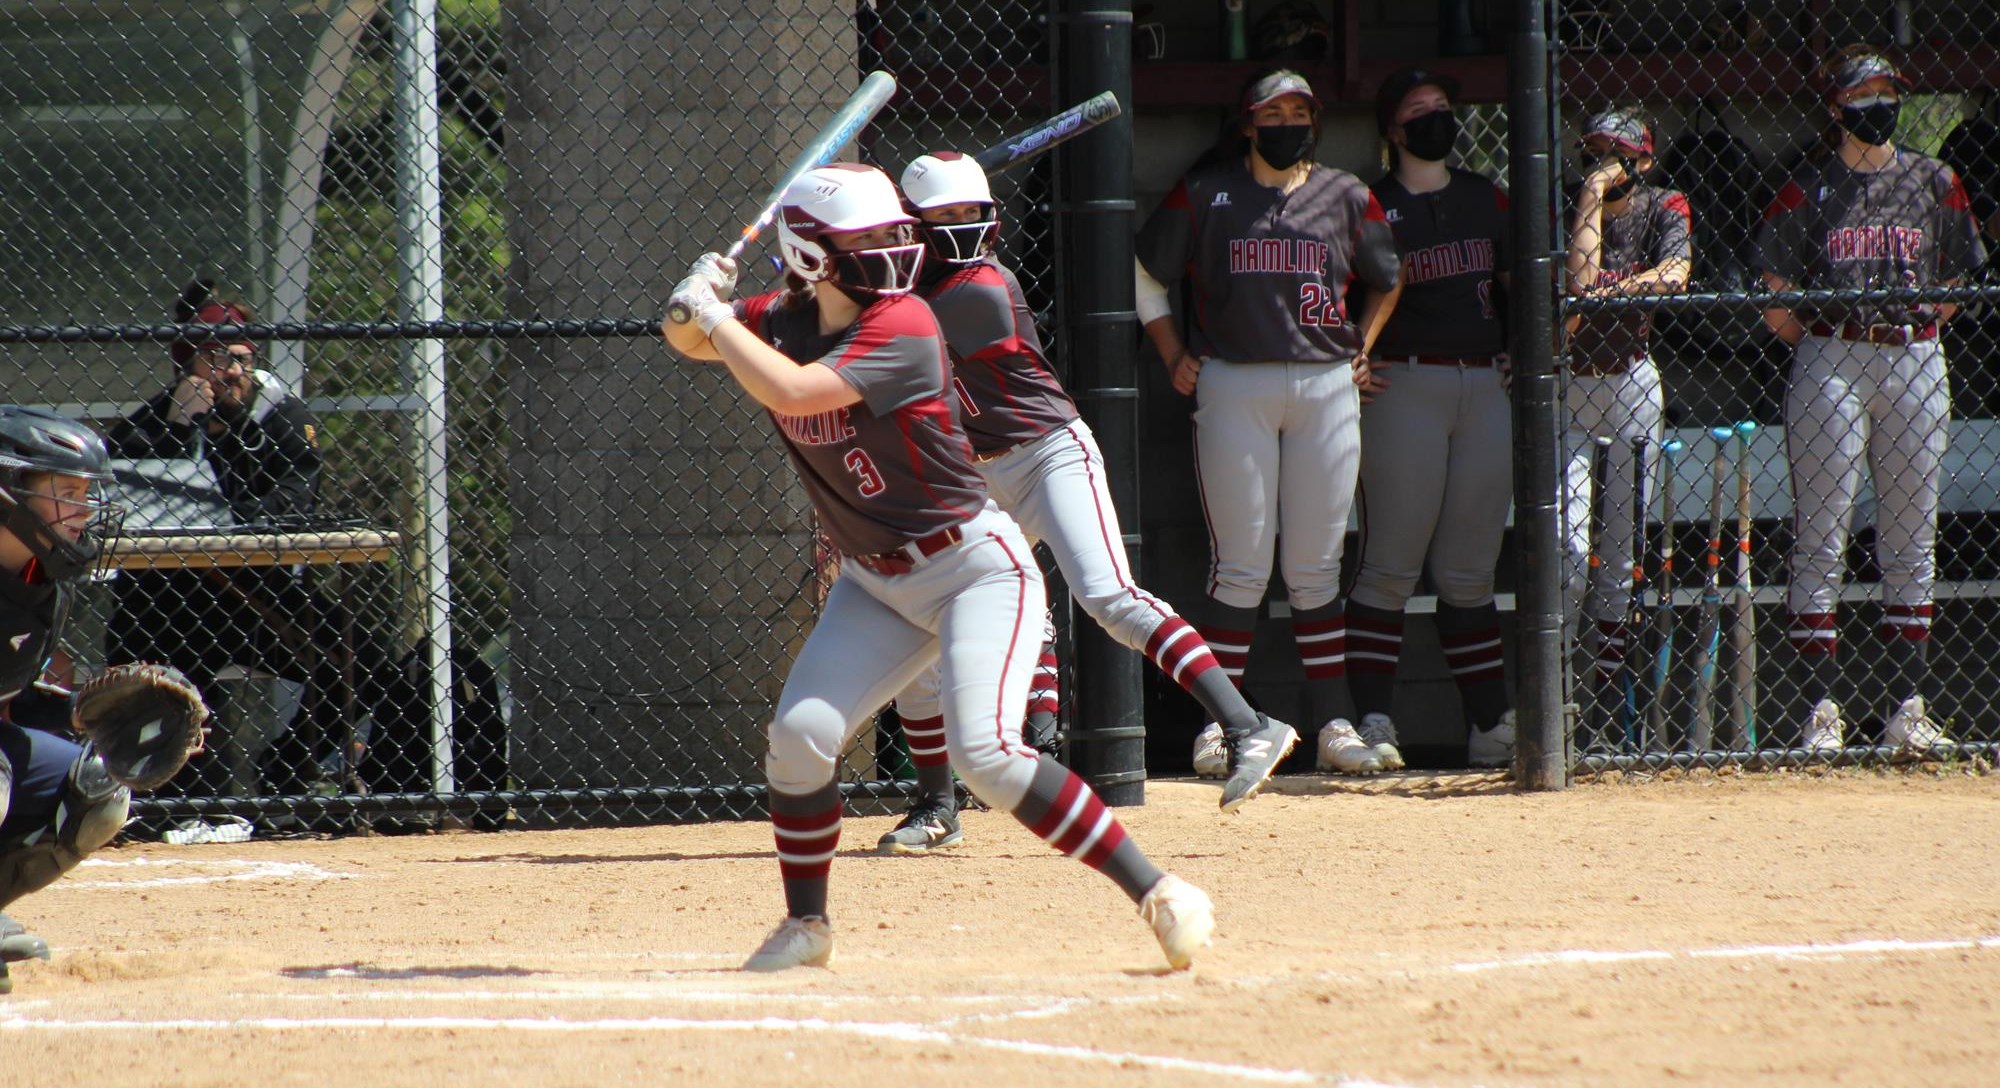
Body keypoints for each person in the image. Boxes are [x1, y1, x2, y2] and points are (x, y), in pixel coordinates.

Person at [662, 162, 1214, 972]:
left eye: (895, 235)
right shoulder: (778, 317)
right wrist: (694, 301)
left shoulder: (906, 324)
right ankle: (807, 927)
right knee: (799, 738)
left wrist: (714, 318)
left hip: (973, 570)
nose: (891, 251)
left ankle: (1159, 889)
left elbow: (790, 392)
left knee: (987, 756)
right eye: (868, 241)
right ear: (811, 255)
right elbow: (690, 339)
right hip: (876, 581)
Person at [871, 151, 1300, 855]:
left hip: (1044, 456)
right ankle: (935, 804)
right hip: (971, 481)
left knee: (1107, 596)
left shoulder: (981, 288)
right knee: (923, 633)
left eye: (969, 217)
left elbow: (889, 332)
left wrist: (824, 283)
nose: (959, 232)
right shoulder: (906, 289)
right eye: (941, 220)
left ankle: (1247, 724)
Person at [1134, 67, 1403, 776]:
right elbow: (1147, 275)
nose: (1288, 122)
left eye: (1299, 111)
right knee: (1242, 567)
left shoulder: (1346, 194)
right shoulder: (1206, 192)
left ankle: (1335, 725)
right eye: (1273, 111)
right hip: (1233, 381)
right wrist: (1172, 354)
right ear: (1248, 122)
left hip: (1324, 382)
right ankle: (1223, 727)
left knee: (1316, 567)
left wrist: (1360, 350)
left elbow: (1389, 276)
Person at [1752, 48, 1986, 751]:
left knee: (1912, 536)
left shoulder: (1934, 179)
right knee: (1820, 535)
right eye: (1865, 94)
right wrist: (1824, 338)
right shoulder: (1811, 186)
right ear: (1837, 107)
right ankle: (1821, 713)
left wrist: (1915, 330)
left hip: (1913, 354)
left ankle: (1907, 712)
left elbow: (1960, 276)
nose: (1879, 105)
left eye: (1888, 93)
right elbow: (1773, 286)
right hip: (1833, 356)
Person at [105, 281, 406, 800]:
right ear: (186, 363)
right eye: (216, 357)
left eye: (241, 357)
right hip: (169, 597)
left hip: (253, 588)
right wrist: (179, 432)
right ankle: (165, 799)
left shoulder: (277, 416)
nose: (232, 371)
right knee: (147, 668)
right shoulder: (157, 420)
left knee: (368, 663)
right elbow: (121, 482)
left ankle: (284, 771)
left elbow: (291, 503)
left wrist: (233, 441)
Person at [1344, 68, 1516, 770]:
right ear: (1392, 129)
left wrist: (1516, 349)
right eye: (1418, 111)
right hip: (1404, 385)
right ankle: (1374, 721)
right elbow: (1335, 291)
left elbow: (1516, 285)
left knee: (1470, 573)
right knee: (1389, 566)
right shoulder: (1369, 202)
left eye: (1443, 108)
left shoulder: (1486, 197)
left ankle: (1488, 725)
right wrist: (1350, 355)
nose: (1434, 120)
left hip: (1483, 386)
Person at [0, 405, 188, 993]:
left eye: (86, 494)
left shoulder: (40, 578)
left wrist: (86, 711)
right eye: (67, 492)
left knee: (96, 788)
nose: (83, 511)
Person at [1560, 107, 1690, 745]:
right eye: (1599, 155)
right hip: (1567, 390)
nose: (1610, 167)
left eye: (1622, 156)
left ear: (1645, 158)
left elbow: (1675, 274)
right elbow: (1580, 282)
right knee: (1565, 551)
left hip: (1632, 381)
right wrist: (1588, 196)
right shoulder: (1567, 203)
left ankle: (1602, 711)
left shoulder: (1664, 203)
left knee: (1620, 557)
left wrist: (1617, 292)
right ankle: (1554, 697)